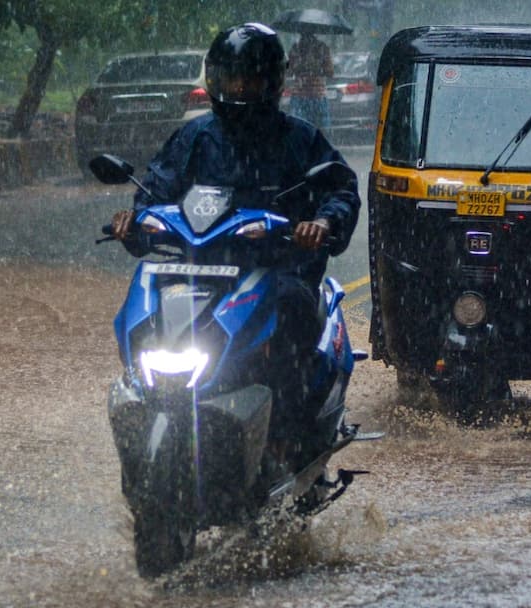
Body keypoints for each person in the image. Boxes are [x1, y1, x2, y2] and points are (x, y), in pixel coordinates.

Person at [110, 22, 360, 458]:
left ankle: (285, 436)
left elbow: (341, 189)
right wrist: (134, 222)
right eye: (230, 77)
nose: (239, 87)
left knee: (293, 313)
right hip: (201, 270)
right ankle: (145, 408)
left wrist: (320, 224)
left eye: (251, 77)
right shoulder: (194, 137)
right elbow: (155, 189)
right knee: (145, 320)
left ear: (272, 81)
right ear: (214, 78)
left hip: (278, 270)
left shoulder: (301, 139)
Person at [287, 31, 334, 129]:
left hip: (304, 94)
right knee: (319, 129)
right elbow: (330, 72)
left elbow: (289, 72)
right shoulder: (297, 49)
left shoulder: (296, 49)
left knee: (298, 128)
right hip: (313, 95)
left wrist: (314, 66)